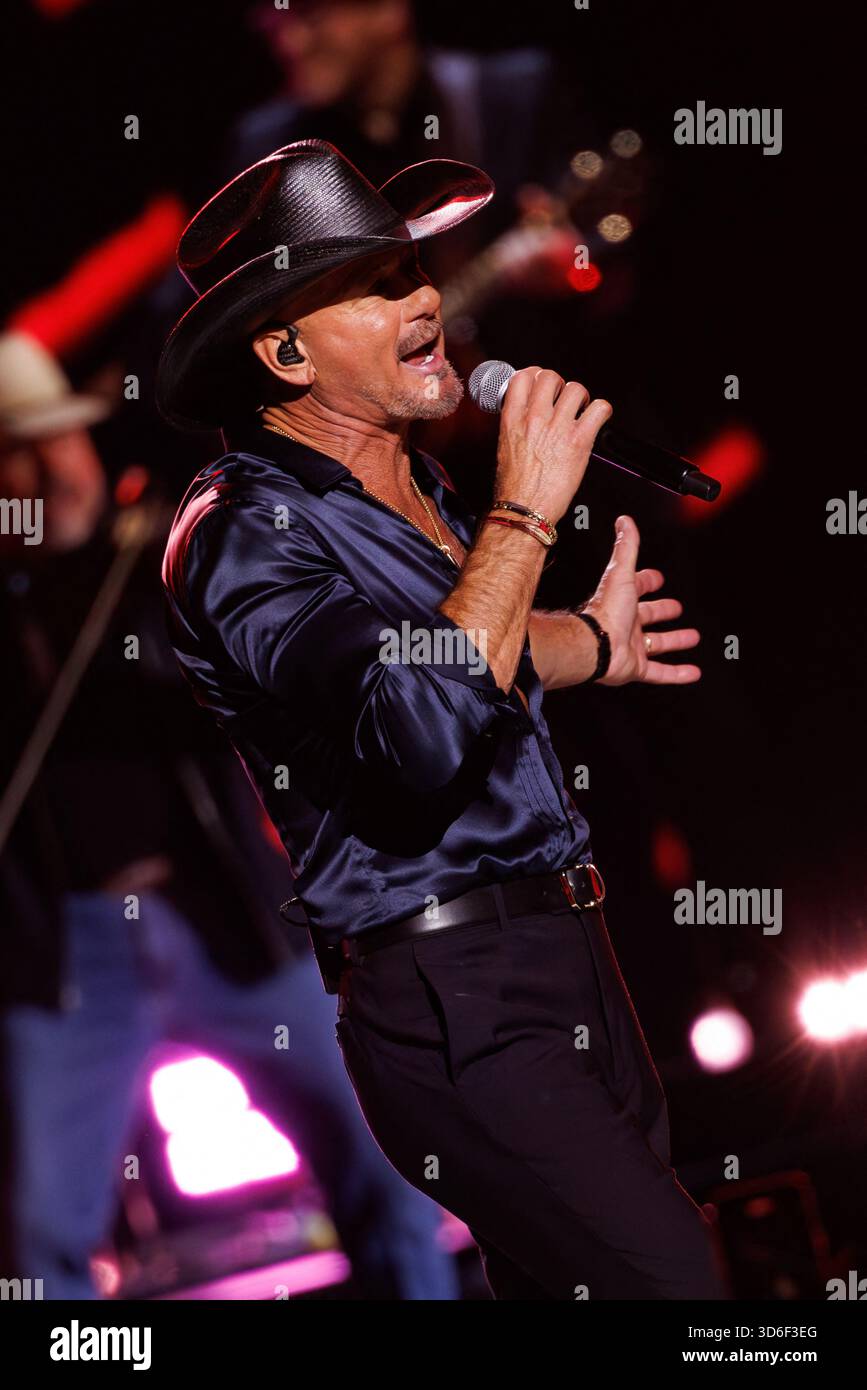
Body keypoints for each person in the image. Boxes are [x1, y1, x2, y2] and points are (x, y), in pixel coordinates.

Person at [156, 139, 728, 1300]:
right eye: (373, 285)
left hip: (573, 956)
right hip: (454, 990)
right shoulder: (237, 534)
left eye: (413, 269)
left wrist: (593, 644)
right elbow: (414, 730)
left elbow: (474, 654)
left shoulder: (415, 485)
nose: (427, 296)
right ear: (284, 350)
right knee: (676, 1292)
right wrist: (523, 512)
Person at [0, 330, 459, 1300]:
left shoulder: (166, 554)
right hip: (71, 957)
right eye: (19, 449)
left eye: (65, 437)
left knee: (388, 1161)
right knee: (39, 1236)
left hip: (224, 916)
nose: (55, 466)